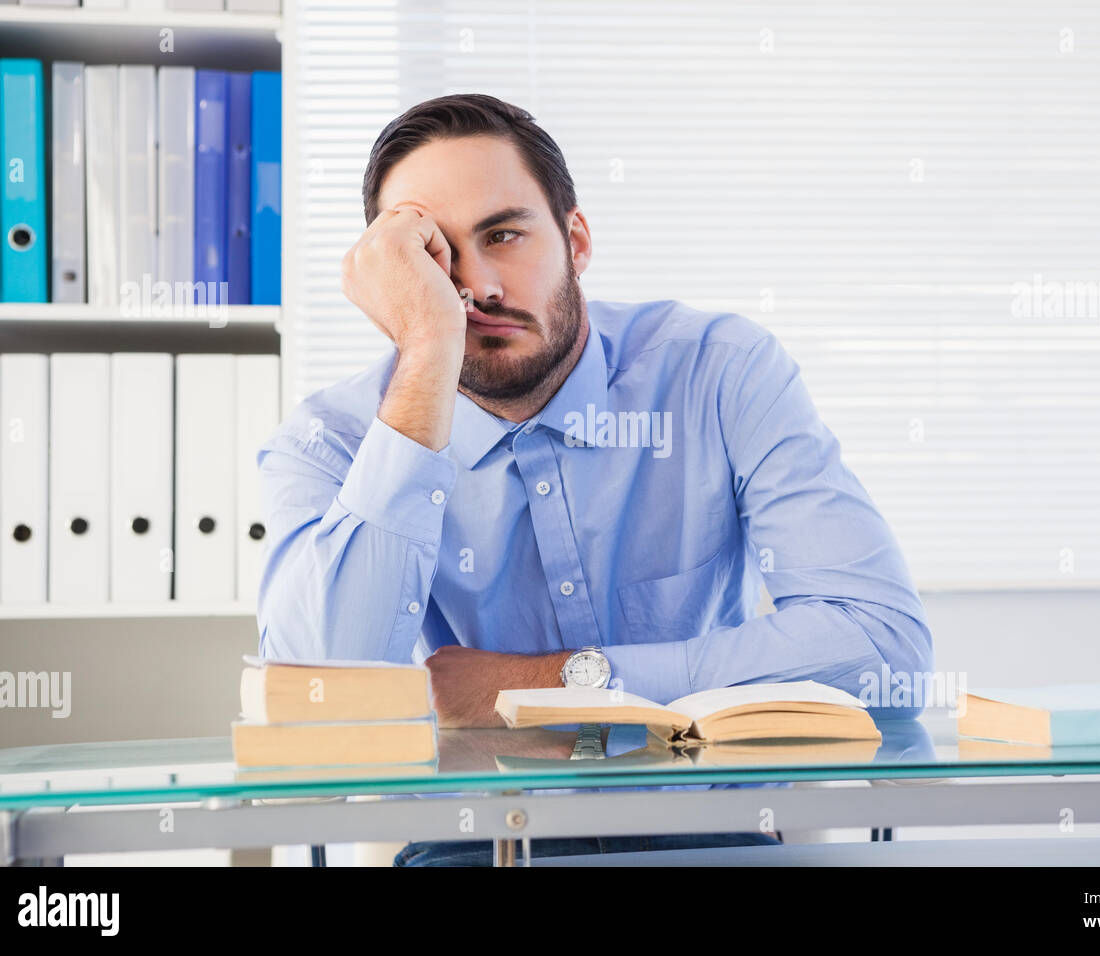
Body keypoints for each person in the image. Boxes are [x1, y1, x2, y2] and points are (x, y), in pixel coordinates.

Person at [256, 93, 933, 866]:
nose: (476, 289)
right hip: (478, 841)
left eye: (503, 234)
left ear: (576, 240)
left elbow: (886, 652)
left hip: (700, 830)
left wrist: (565, 682)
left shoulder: (718, 374)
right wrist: (426, 357)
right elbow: (318, 711)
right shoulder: (332, 441)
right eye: (434, 258)